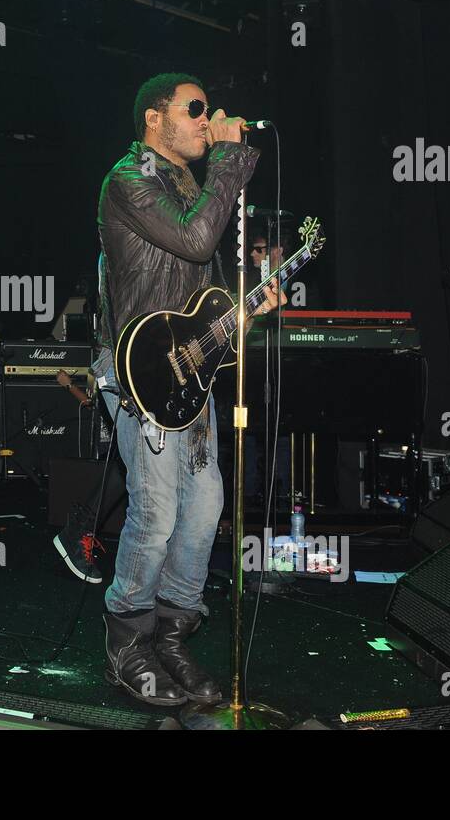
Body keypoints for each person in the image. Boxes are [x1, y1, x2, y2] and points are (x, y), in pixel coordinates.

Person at [68, 73, 283, 706]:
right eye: (194, 109)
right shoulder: (126, 180)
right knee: (156, 511)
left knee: (205, 508)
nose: (206, 117)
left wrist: (247, 307)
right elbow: (194, 237)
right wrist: (230, 159)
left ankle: (171, 632)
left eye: (207, 109)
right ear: (154, 119)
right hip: (136, 366)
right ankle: (126, 637)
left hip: (185, 369)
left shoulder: (191, 185)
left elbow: (198, 289)